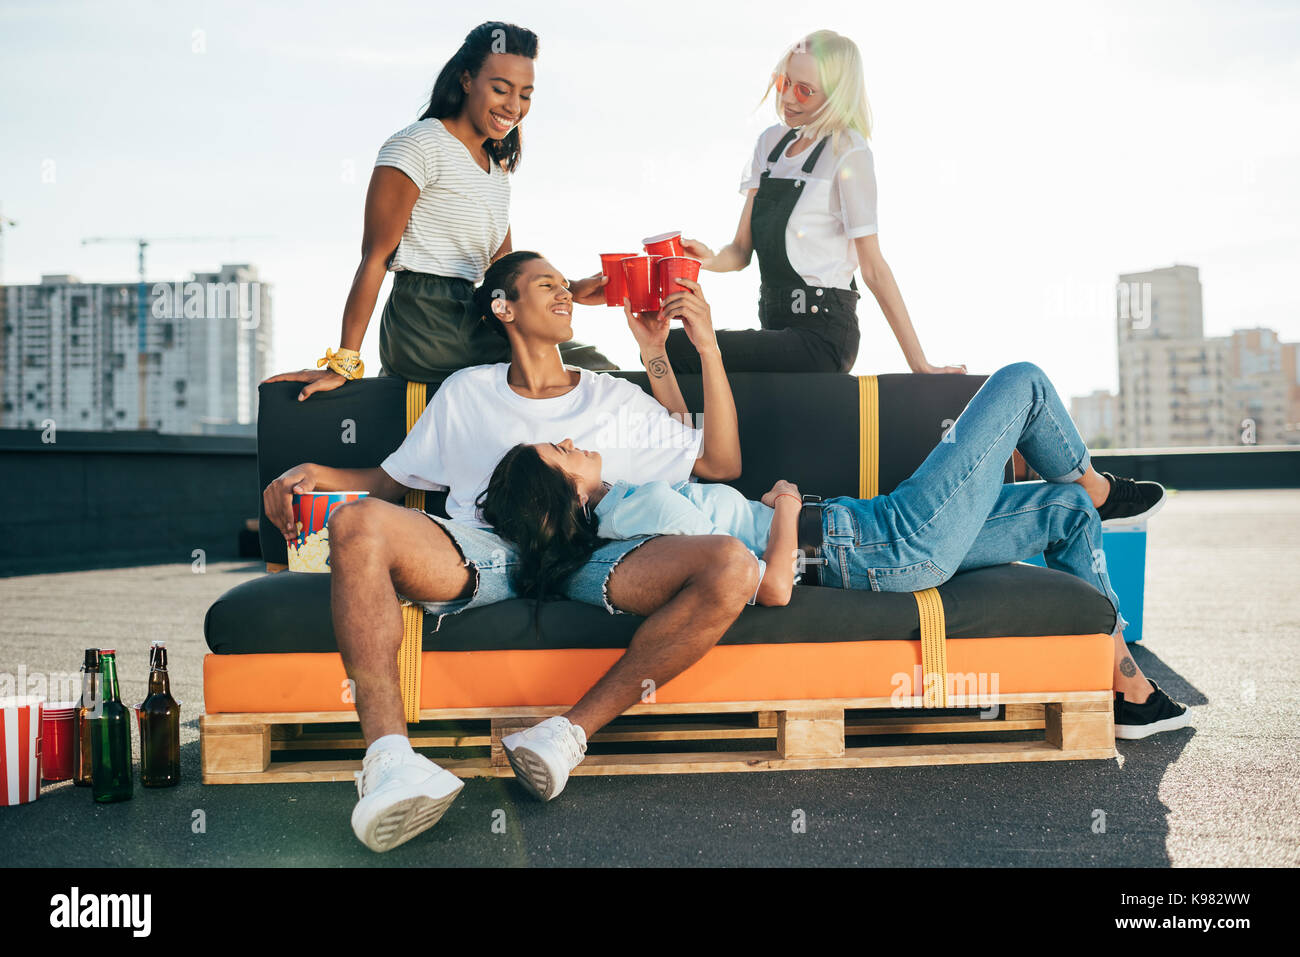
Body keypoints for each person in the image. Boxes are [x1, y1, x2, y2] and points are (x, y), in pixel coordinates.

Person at [481, 361, 1191, 798]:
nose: (570, 441)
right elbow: (771, 586)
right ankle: (1100, 488)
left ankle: (1125, 686)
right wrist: (788, 504)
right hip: (874, 541)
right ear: (559, 496)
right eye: (557, 452)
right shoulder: (637, 508)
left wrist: (662, 357)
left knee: (1061, 511)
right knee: (1022, 383)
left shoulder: (627, 511)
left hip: (871, 533)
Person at [261, 251, 760, 852]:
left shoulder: (613, 398)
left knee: (731, 564)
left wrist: (702, 346)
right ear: (503, 307)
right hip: (483, 549)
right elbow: (390, 482)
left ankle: (565, 736)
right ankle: (391, 762)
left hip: (593, 552)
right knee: (357, 522)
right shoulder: (466, 392)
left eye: (565, 285)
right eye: (546, 285)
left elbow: (720, 463)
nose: (565, 294)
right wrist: (314, 472)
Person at [264, 21, 614, 403]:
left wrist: (570, 289)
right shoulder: (417, 145)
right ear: (466, 80)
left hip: (477, 310)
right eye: (501, 89)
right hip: (423, 319)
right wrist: (344, 362)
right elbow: (375, 257)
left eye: (525, 94)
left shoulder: (496, 170)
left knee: (593, 364)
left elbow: (505, 269)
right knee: (572, 370)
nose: (514, 107)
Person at [665, 30, 963, 377]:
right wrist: (707, 259)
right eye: (784, 82)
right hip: (776, 332)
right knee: (664, 345)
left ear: (836, 95)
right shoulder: (770, 146)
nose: (787, 97)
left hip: (824, 336)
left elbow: (874, 270)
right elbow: (741, 252)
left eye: (804, 90)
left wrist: (920, 365)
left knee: (676, 349)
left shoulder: (848, 152)